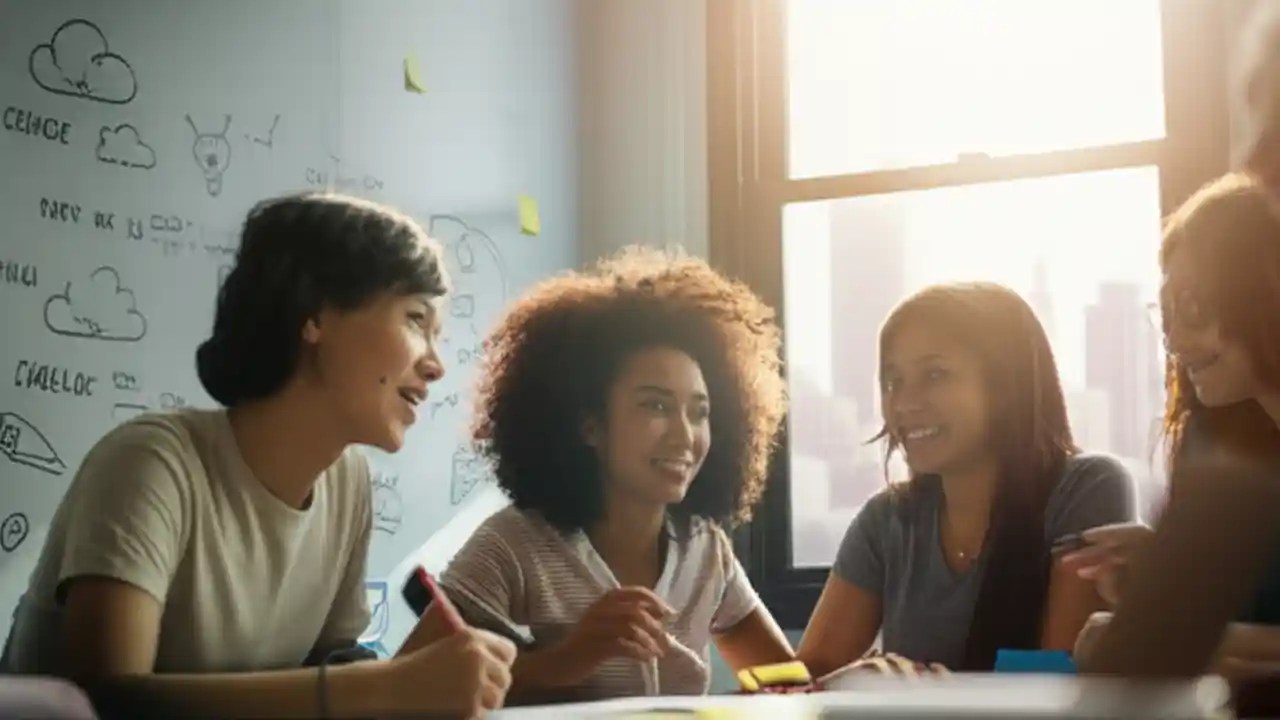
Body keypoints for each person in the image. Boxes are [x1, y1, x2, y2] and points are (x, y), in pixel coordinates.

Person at [0, 193, 516, 718]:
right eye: (415, 320)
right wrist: (386, 686)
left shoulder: (347, 482)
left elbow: (326, 666)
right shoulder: (151, 465)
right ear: (315, 315)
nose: (436, 365)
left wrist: (410, 672)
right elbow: (104, 699)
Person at [401, 246, 795, 701]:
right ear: (590, 425)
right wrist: (564, 661)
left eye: (699, 412)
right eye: (656, 406)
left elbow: (785, 679)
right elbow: (402, 690)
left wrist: (850, 679)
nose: (684, 435)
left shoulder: (705, 549)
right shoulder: (513, 545)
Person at [797, 282, 1137, 676]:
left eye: (935, 374)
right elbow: (804, 681)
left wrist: (911, 689)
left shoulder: (1087, 488)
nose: (904, 402)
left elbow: (1054, 682)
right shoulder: (886, 521)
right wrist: (857, 681)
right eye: (893, 382)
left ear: (1005, 386)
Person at [1069, 173, 1280, 679]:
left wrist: (1175, 638)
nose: (1175, 341)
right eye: (1164, 314)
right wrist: (1166, 580)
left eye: (1192, 307)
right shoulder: (1219, 446)